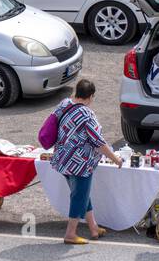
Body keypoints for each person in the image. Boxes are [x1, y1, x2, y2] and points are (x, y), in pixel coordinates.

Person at [49, 78, 122, 244]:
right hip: (80, 163)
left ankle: (93, 228)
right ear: (90, 96)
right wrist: (115, 158)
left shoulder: (64, 104)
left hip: (62, 159)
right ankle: (70, 233)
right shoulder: (87, 115)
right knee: (79, 197)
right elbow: (99, 143)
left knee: (82, 194)